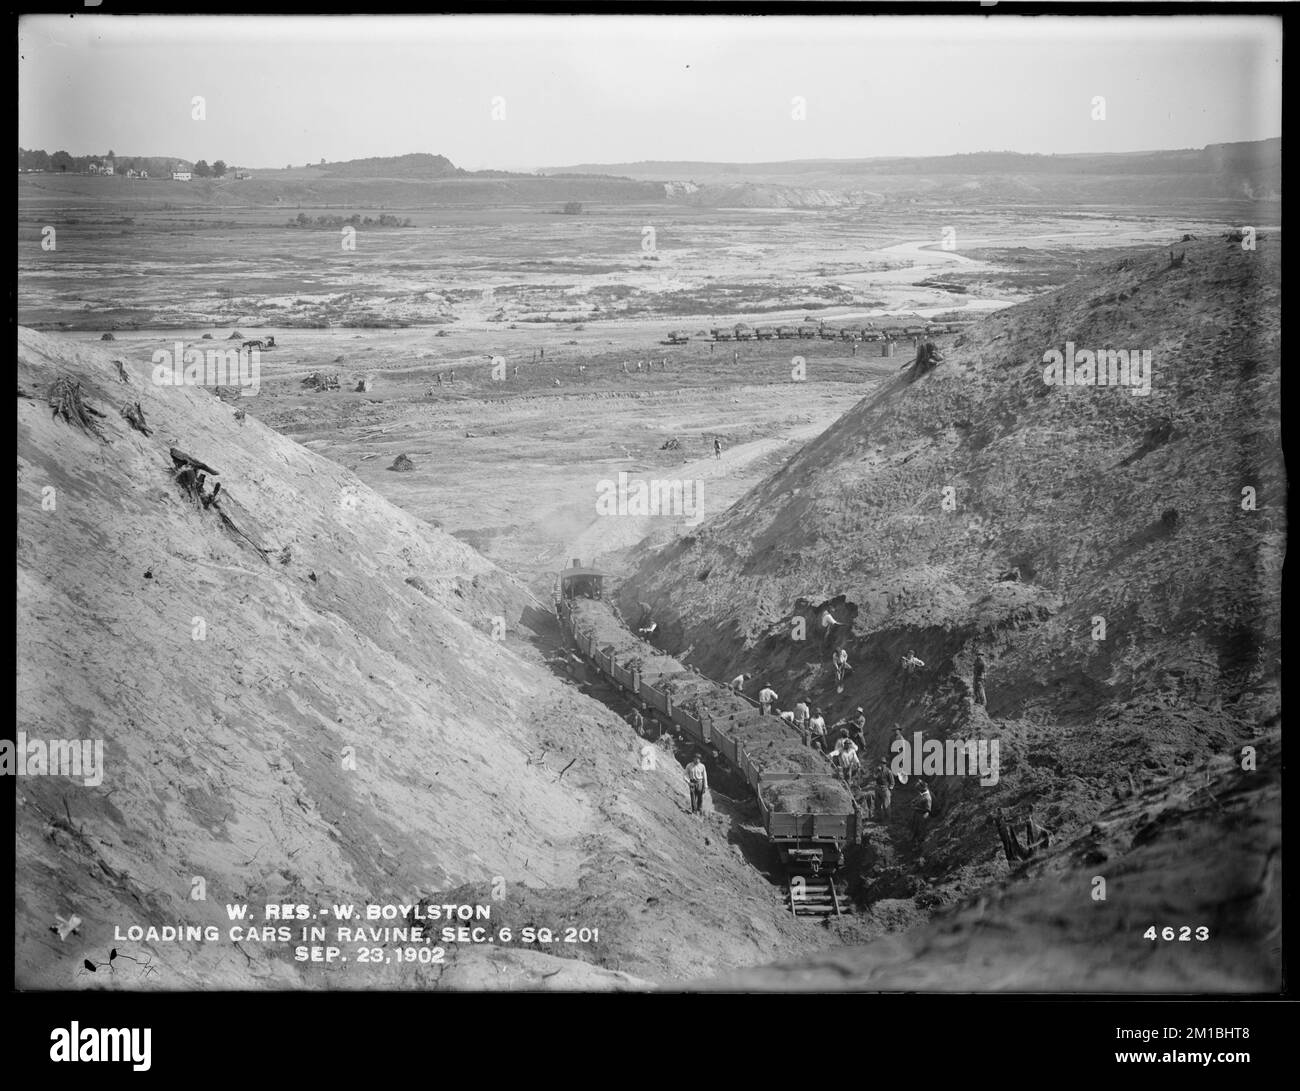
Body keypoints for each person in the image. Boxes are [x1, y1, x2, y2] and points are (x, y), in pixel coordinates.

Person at [912, 779, 933, 846]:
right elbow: (916, 799)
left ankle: (919, 844)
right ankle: (914, 839)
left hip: (921, 816)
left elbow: (927, 810)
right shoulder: (922, 794)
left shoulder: (927, 798)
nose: (918, 791)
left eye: (919, 789)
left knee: (920, 830)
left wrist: (923, 818)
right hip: (917, 814)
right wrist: (913, 803)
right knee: (915, 827)